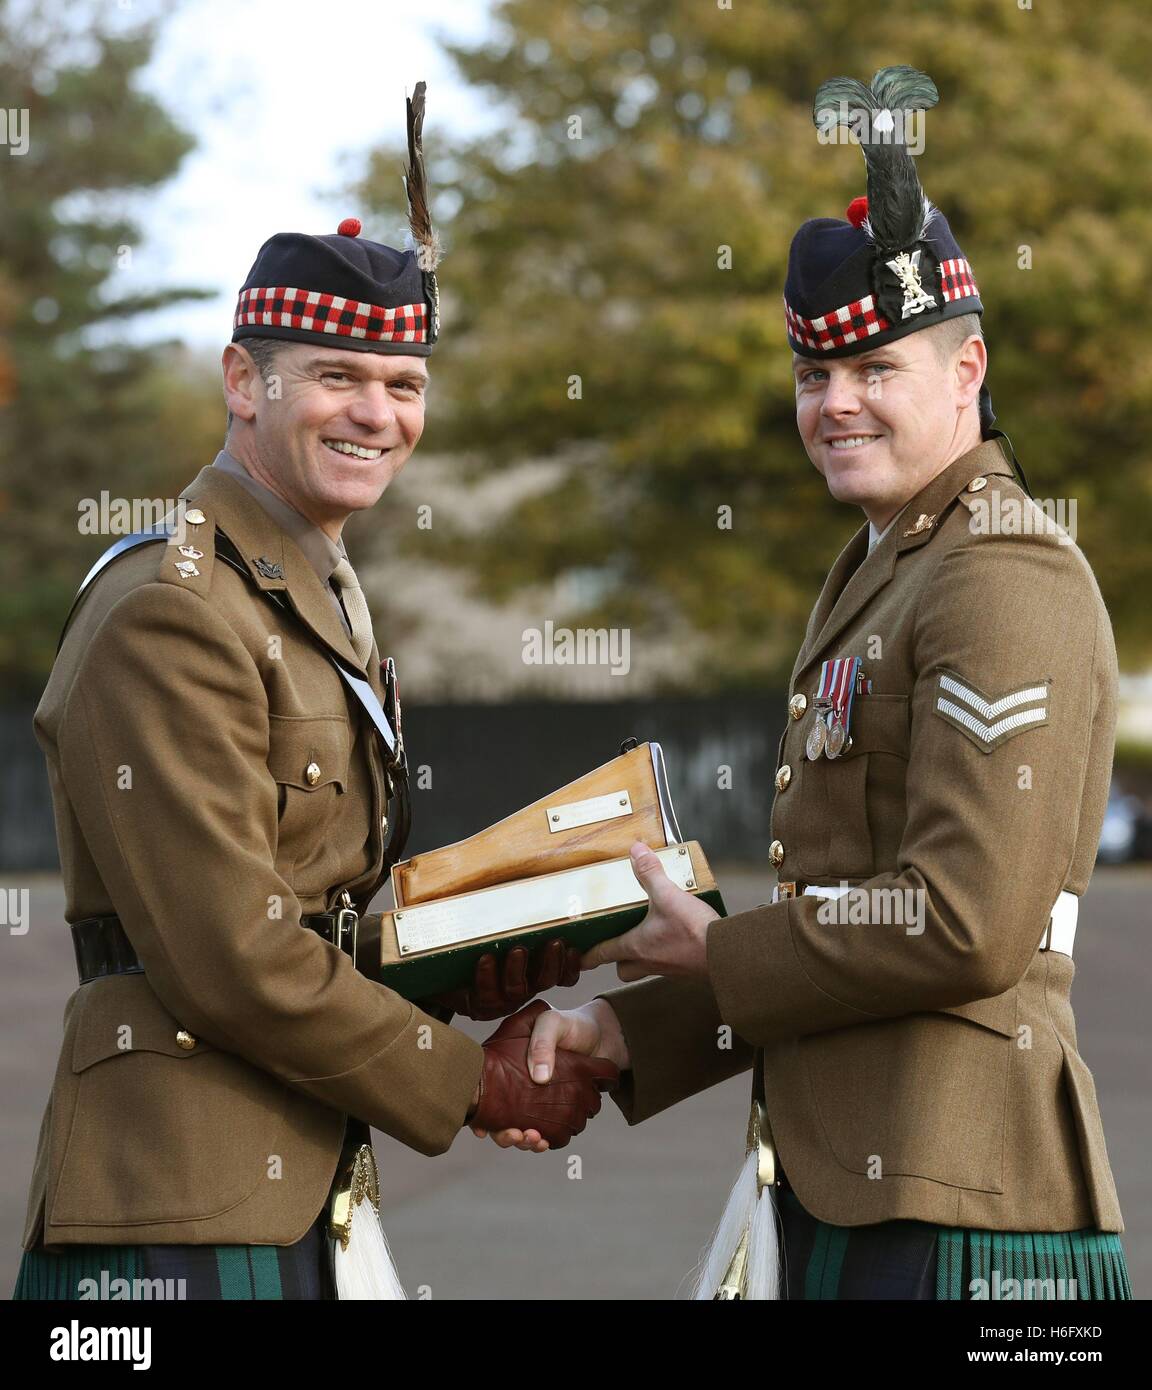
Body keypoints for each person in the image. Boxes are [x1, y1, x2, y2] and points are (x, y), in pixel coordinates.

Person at [492, 65, 1133, 1301]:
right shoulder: (883, 569)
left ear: (968, 368)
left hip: (965, 1208)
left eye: (875, 369)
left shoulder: (1000, 575)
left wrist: (721, 954)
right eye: (811, 377)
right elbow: (846, 936)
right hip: (859, 1184)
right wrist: (628, 1035)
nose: (835, 404)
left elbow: (963, 923)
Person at [12, 82, 613, 1303]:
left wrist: (467, 958)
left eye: (405, 386)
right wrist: (472, 1079)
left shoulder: (313, 583)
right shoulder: (175, 605)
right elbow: (232, 953)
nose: (379, 415)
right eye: (339, 376)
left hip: (289, 1175)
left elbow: (315, 900)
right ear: (246, 380)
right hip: (174, 1210)